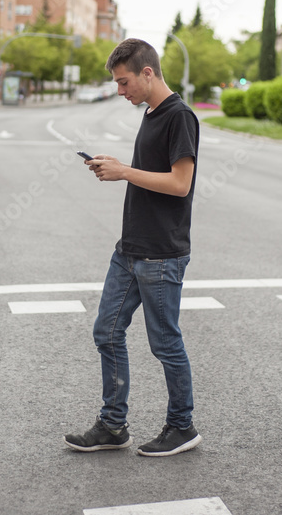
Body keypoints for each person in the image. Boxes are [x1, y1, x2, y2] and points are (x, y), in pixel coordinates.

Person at [64, 38, 201, 457]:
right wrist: (119, 165)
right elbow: (153, 172)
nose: (121, 92)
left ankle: (182, 426)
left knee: (165, 344)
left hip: (161, 253)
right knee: (106, 332)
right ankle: (112, 425)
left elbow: (180, 184)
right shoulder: (152, 113)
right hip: (130, 249)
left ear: (147, 72)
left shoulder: (180, 116)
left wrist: (124, 171)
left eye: (124, 83)